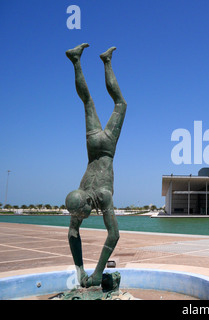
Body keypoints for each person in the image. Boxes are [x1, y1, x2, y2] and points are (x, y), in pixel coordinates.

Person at [65, 43, 127, 288]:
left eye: (82, 214)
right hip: (93, 145)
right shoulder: (80, 194)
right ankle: (80, 60)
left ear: (85, 203)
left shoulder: (99, 196)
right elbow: (73, 231)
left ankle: (101, 61)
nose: (82, 218)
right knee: (88, 101)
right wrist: (82, 270)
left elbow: (114, 235)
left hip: (107, 146)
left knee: (121, 105)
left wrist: (93, 270)